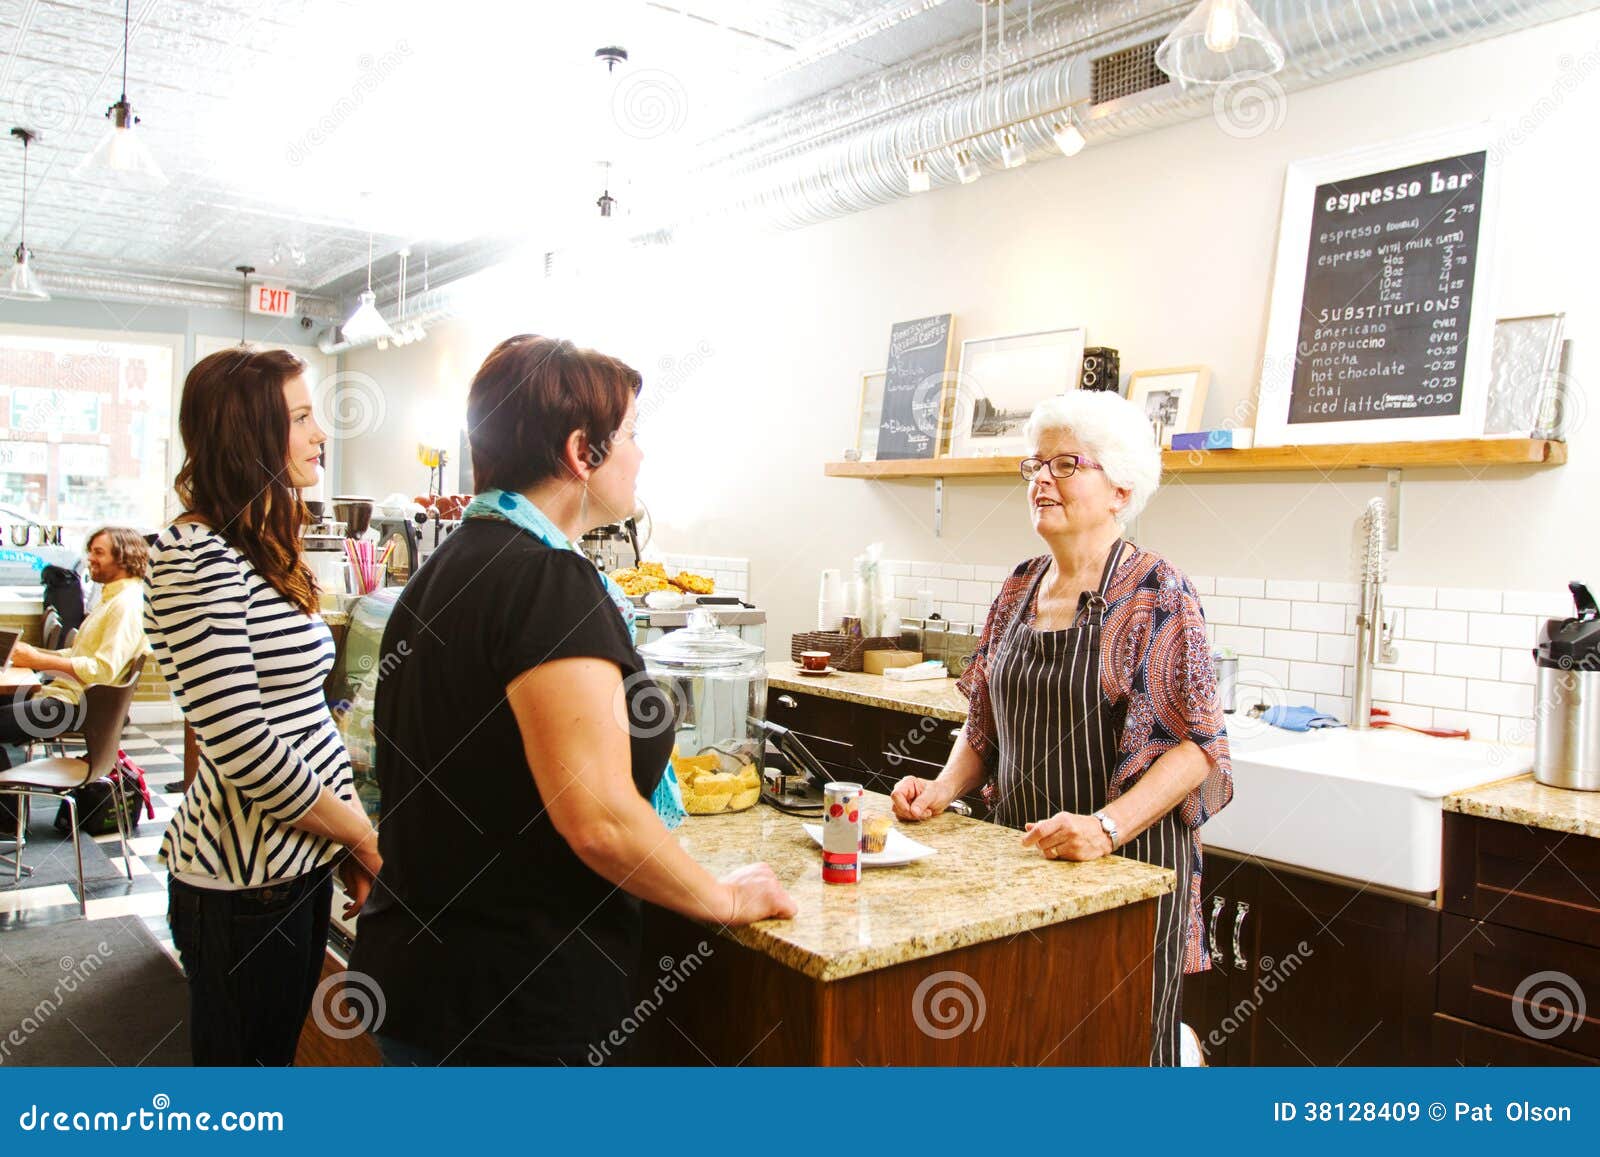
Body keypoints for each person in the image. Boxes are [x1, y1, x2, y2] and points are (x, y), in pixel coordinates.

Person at [350, 335, 796, 1066]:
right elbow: (597, 817)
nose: (641, 455)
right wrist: (722, 897)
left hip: (428, 984)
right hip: (514, 1005)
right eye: (629, 435)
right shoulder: (545, 582)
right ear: (580, 451)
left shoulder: (446, 571)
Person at [890, 390, 1233, 1066]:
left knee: (1118, 1058)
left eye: (1066, 463)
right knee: (1027, 1046)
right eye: (1035, 464)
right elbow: (984, 724)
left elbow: (1196, 748)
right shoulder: (1019, 587)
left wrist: (1102, 828)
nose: (1041, 479)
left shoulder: (1156, 590)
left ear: (1121, 488)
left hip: (1128, 875)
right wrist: (940, 789)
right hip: (1022, 868)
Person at [145, 348, 381, 1066]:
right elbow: (246, 743)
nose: (320, 435)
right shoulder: (195, 557)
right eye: (302, 417)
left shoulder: (253, 546)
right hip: (241, 883)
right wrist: (363, 836)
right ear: (248, 433)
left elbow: (304, 718)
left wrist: (337, 840)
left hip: (291, 865)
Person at [1, 527, 150, 765]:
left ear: (124, 557)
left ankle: (7, 800)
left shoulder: (126, 605)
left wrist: (36, 660)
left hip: (74, 708)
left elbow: (102, 670)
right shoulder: (112, 599)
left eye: (98, 552)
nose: (90, 558)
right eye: (90, 551)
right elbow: (80, 654)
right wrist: (33, 653)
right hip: (66, 699)